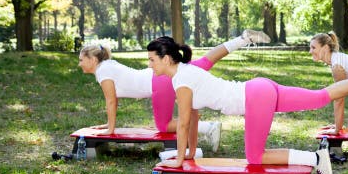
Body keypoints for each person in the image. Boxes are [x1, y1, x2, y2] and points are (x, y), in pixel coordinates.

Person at [146, 36, 348, 174]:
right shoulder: (186, 72)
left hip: (255, 98)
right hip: (258, 88)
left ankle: (316, 159)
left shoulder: (182, 80)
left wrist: (180, 159)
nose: (150, 64)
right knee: (318, 98)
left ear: (166, 59)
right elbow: (192, 117)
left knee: (255, 157)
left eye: (152, 59)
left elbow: (182, 123)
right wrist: (190, 153)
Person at [78, 30, 268, 152]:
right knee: (205, 61)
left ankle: (207, 128)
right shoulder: (108, 65)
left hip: (157, 83)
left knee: (164, 126)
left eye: (81, 59)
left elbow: (111, 101)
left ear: (93, 60)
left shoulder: (103, 71)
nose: (79, 64)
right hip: (158, 78)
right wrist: (107, 125)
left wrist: (110, 129)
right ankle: (243, 39)